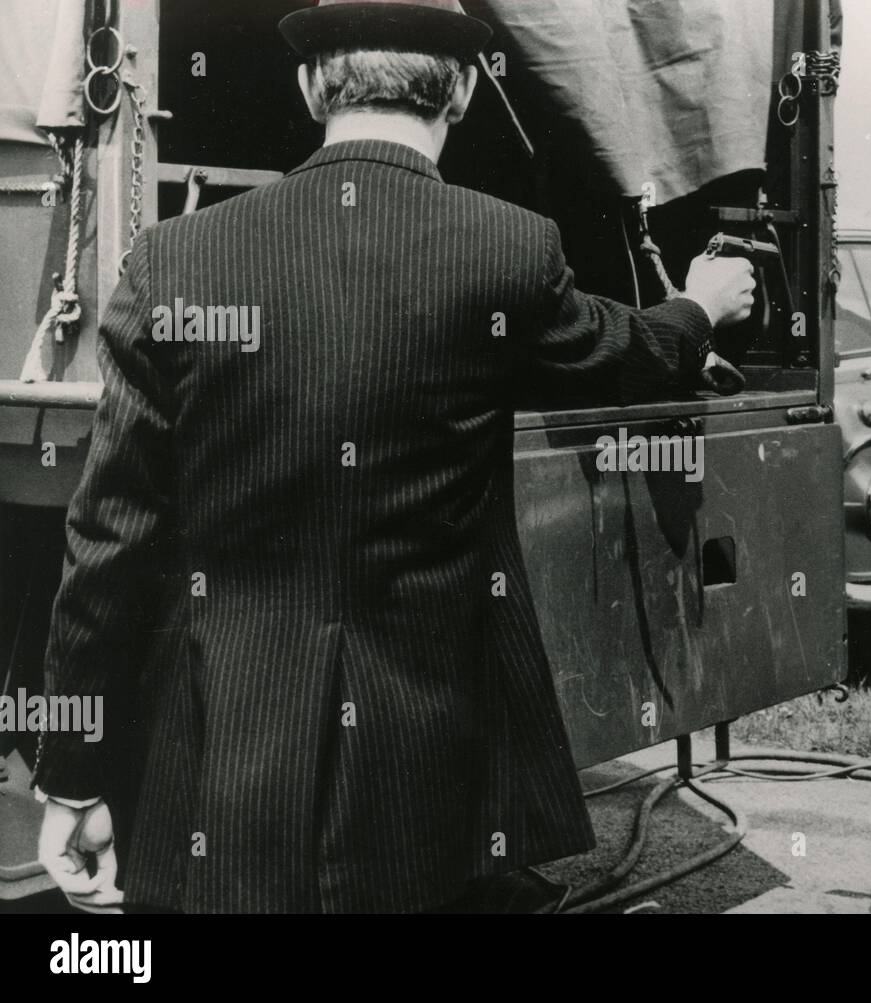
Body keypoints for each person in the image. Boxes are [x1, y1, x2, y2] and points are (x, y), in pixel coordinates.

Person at [33, 0, 756, 914]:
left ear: (308, 88)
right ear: (458, 94)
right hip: (427, 761)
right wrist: (699, 306)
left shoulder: (172, 261)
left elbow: (106, 549)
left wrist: (72, 775)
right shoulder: (509, 249)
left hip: (225, 751)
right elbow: (631, 353)